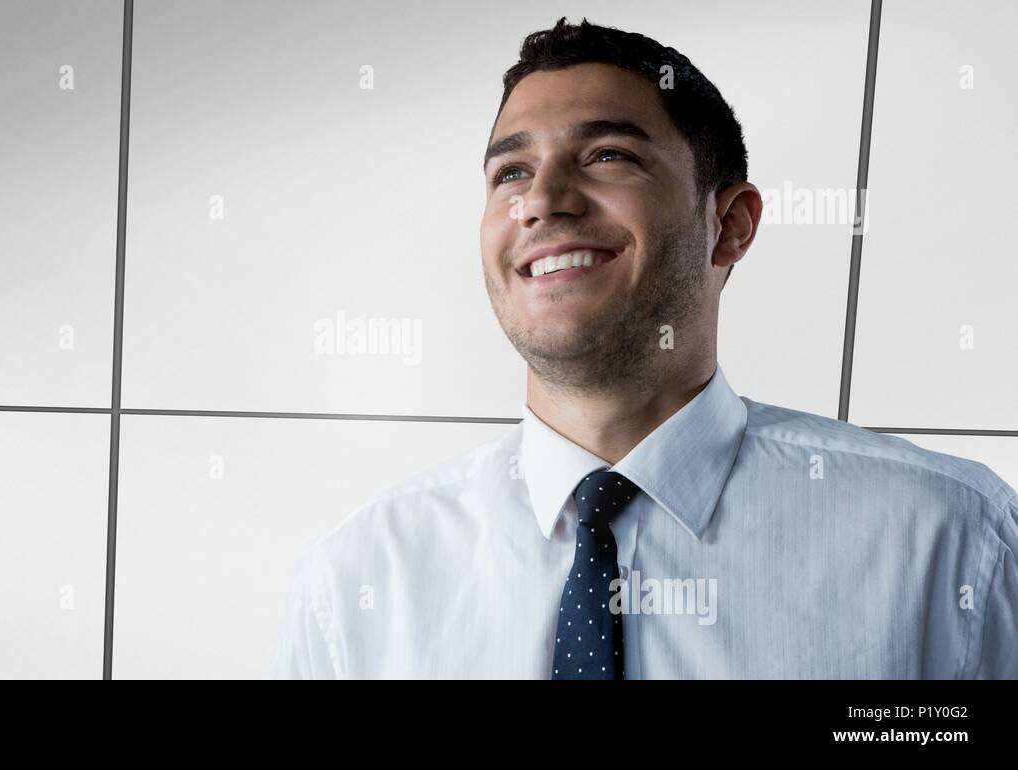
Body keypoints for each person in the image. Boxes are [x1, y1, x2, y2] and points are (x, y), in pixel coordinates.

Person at [269, 16, 1017, 679]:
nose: (543, 201)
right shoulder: (356, 580)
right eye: (512, 171)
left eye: (607, 157)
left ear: (730, 225)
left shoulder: (949, 539)